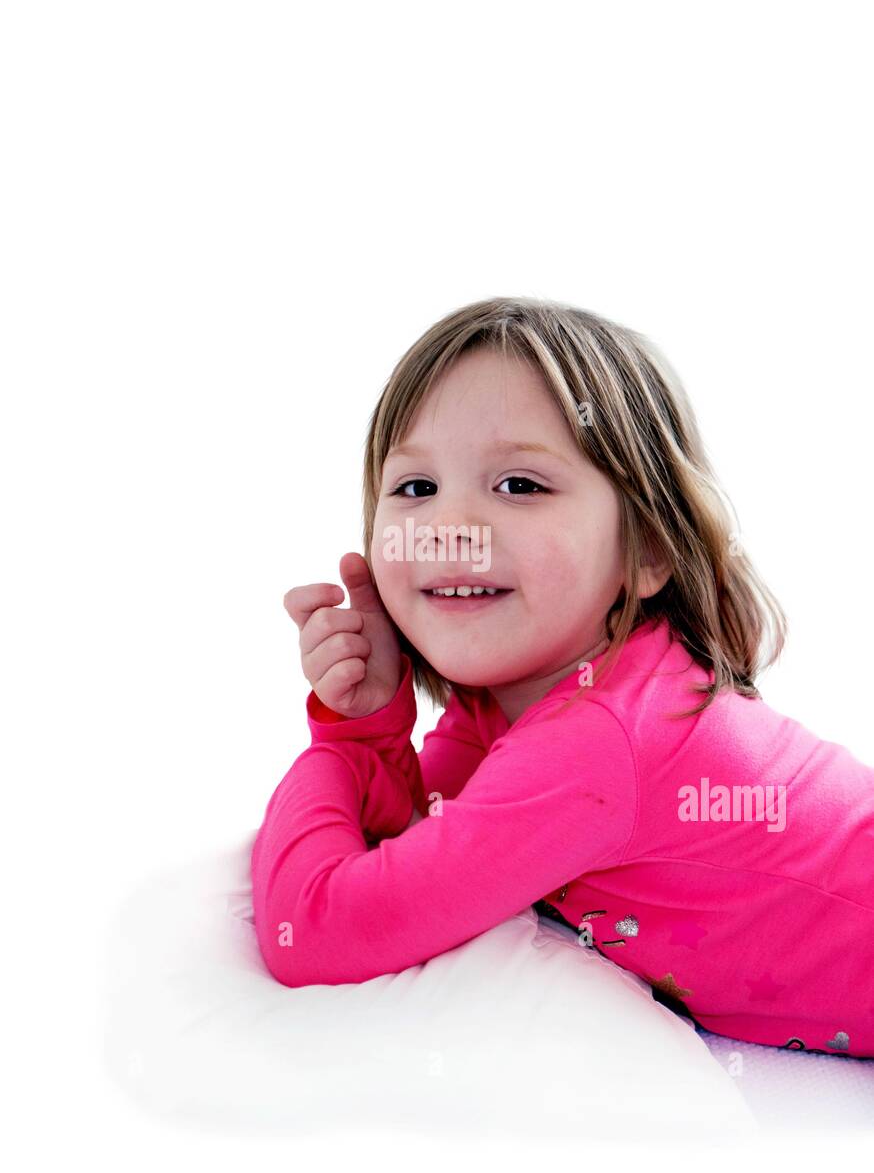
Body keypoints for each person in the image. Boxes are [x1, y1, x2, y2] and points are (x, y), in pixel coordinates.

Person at [251, 297, 874, 1057]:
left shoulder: (596, 742)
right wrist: (365, 718)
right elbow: (411, 837)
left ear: (647, 550)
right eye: (416, 488)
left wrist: (335, 753)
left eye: (519, 486)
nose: (454, 528)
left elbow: (312, 930)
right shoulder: (520, 699)